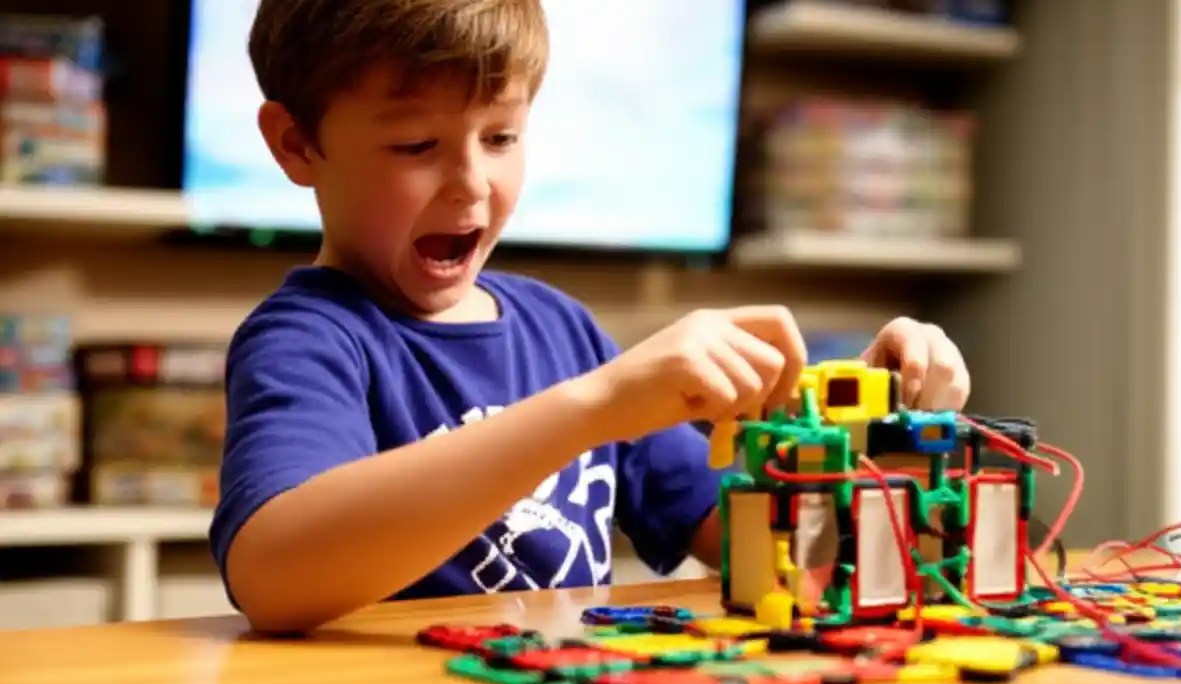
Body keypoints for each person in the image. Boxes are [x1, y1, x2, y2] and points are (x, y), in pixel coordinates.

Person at [211, 0, 972, 634]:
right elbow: (273, 577)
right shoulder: (307, 339)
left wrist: (870, 437)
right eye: (417, 145)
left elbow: (764, 551)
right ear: (296, 143)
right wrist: (594, 408)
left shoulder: (560, 330)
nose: (472, 184)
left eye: (502, 137)